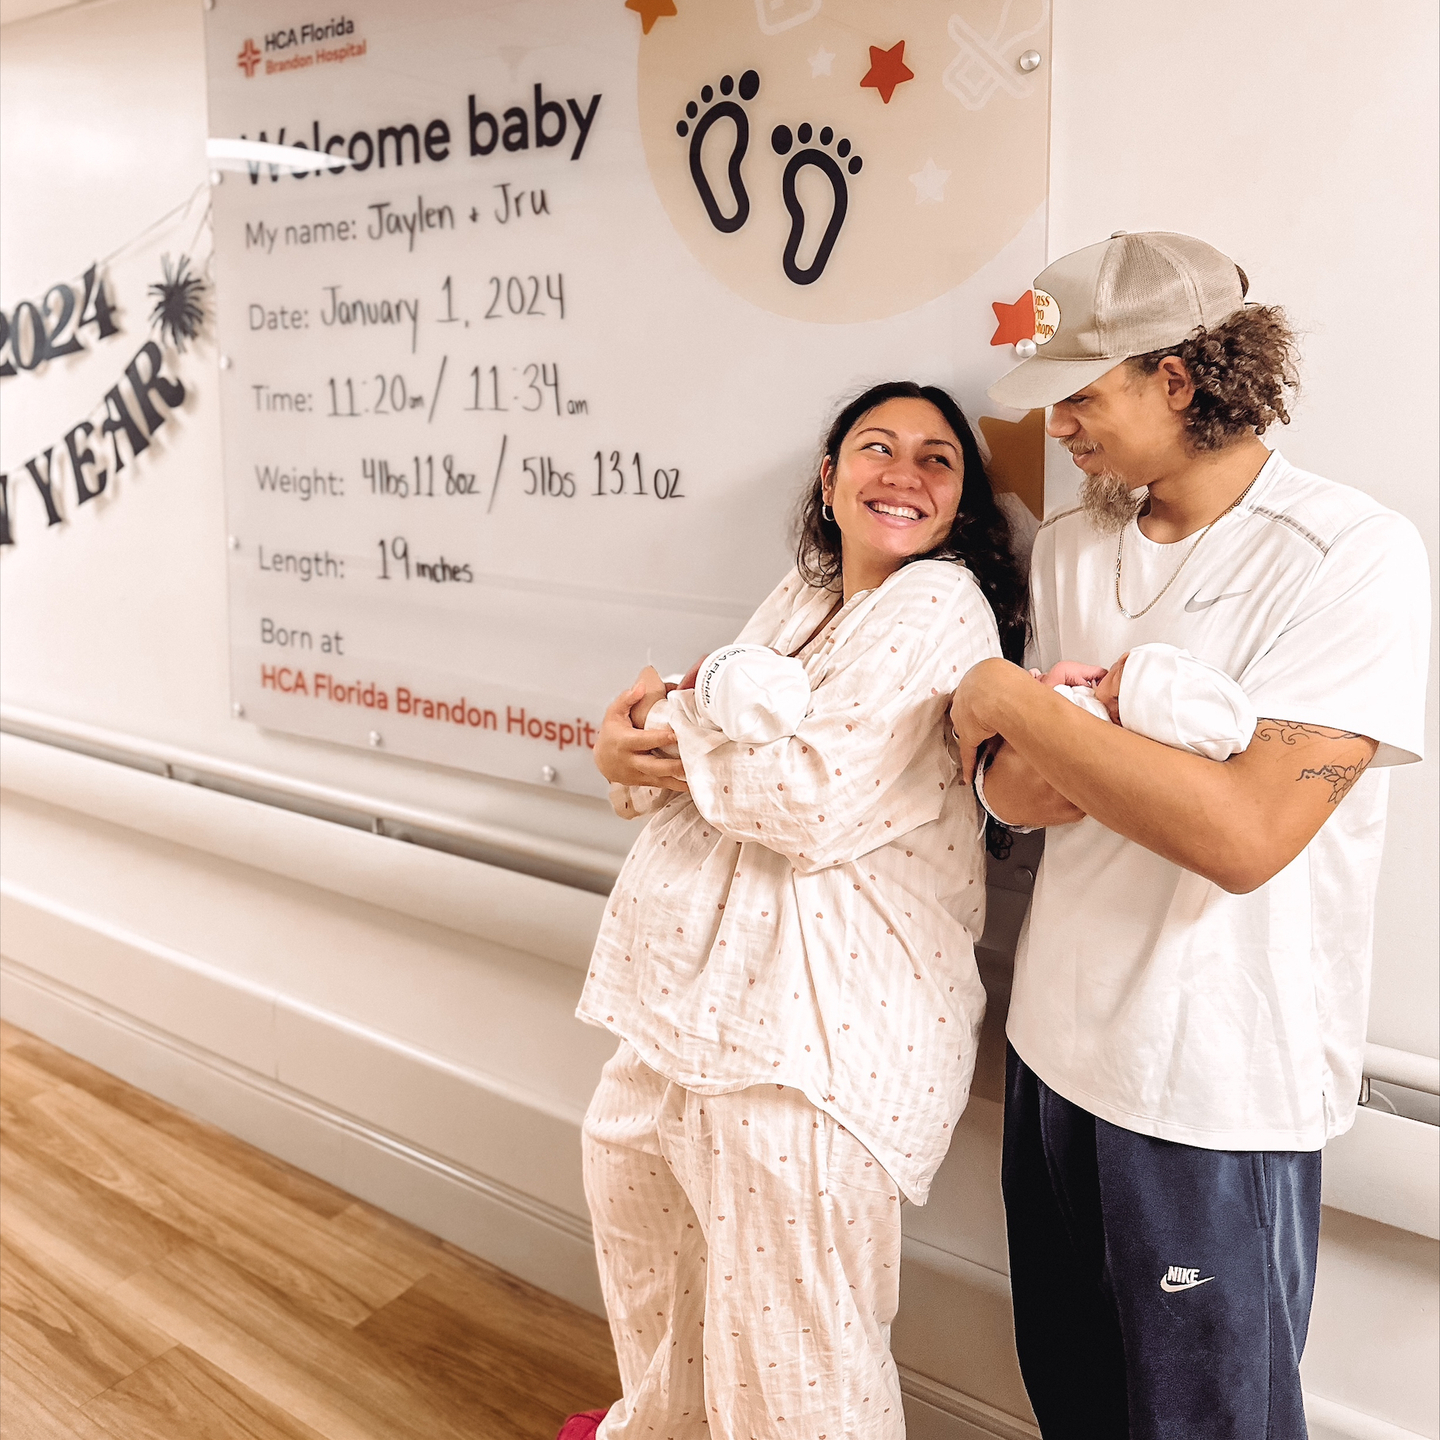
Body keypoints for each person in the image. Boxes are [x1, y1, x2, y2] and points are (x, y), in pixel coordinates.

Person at [948, 231, 1431, 1438]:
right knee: (1076, 1399)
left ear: (1179, 375)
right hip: (1054, 1049)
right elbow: (1010, 797)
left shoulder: (1348, 555)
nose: (1058, 427)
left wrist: (1011, 704)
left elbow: (1244, 834)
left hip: (1214, 1084)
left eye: (1082, 395)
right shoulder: (1071, 551)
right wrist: (1073, 756)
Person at [563, 381, 1026, 1440]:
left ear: (961, 502)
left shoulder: (941, 607)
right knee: (654, 1273)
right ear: (830, 478)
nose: (903, 473)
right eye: (876, 448)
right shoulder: (806, 593)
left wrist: (668, 735)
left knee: (797, 1362)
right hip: (685, 1013)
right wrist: (649, 742)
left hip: (812, 1037)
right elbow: (707, 729)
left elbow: (811, 793)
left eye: (936, 459)